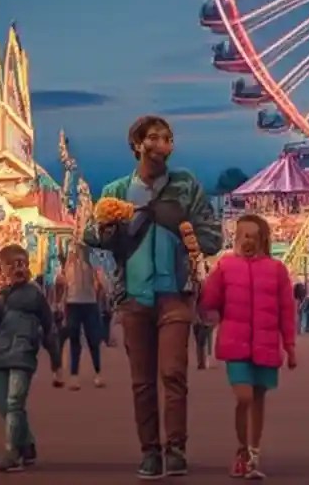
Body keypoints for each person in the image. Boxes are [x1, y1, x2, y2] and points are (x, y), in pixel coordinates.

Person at [85, 115, 222, 479]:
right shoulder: (115, 191)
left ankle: (176, 448)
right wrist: (109, 229)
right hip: (133, 295)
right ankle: (150, 451)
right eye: (154, 137)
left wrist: (180, 225)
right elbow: (90, 233)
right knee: (142, 380)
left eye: (168, 137)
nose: (162, 144)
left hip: (176, 293)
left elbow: (213, 238)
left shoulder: (186, 185)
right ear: (137, 145)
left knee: (173, 372)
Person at [200, 214, 297, 479]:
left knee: (259, 400)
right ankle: (242, 449)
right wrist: (207, 280)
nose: (247, 241)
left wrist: (290, 346)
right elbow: (210, 301)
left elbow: (286, 310)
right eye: (242, 235)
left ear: (263, 240)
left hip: (266, 345)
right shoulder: (226, 266)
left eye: (253, 236)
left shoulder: (277, 270)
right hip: (235, 344)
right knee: (244, 397)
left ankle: (253, 453)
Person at [0, 244, 63, 472]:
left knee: (14, 403)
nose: (18, 269)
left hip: (23, 353)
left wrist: (56, 364)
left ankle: (12, 452)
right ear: (2, 268)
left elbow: (49, 327)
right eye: (12, 265)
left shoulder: (34, 294)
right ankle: (27, 444)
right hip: (1, 354)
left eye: (22, 264)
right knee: (3, 406)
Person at [59, 241, 106, 390]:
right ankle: (74, 376)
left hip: (89, 304)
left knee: (93, 340)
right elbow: (65, 285)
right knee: (74, 339)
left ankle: (98, 373)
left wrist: (99, 296)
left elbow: (101, 283)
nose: (77, 251)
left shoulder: (92, 264)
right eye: (75, 248)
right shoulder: (69, 264)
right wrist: (62, 303)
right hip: (73, 304)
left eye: (80, 249)